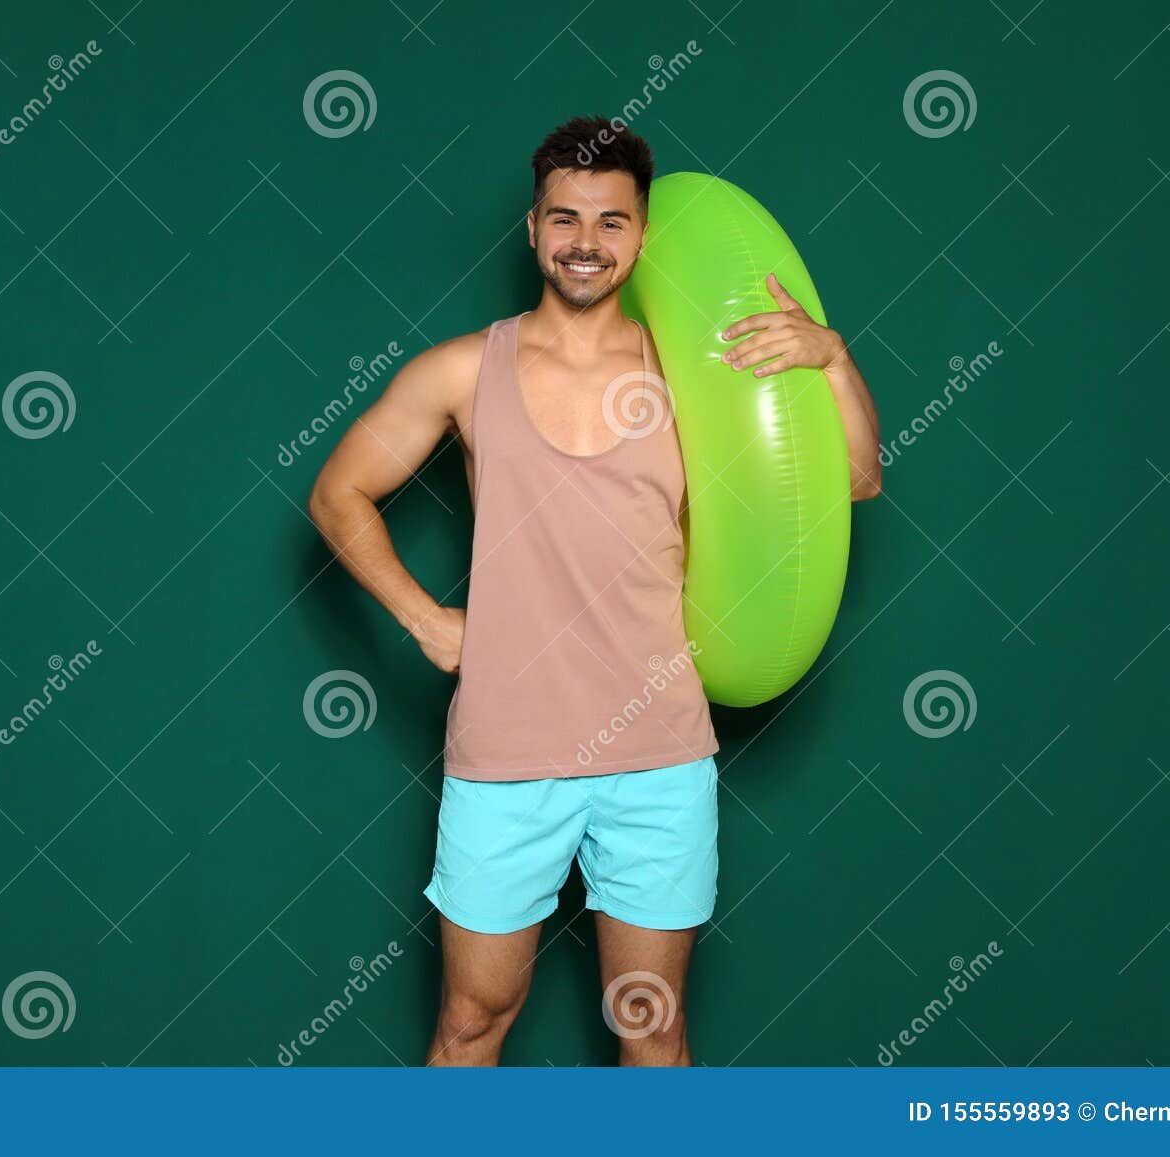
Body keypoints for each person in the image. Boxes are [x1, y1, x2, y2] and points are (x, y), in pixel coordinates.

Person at [308, 114, 882, 1066]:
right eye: (566, 218)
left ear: (643, 236)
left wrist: (833, 356)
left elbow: (851, 482)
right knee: (470, 1023)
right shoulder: (462, 370)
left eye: (612, 221)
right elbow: (338, 494)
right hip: (507, 752)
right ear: (533, 228)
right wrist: (425, 620)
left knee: (653, 1028)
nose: (587, 241)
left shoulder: (697, 375)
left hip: (659, 755)